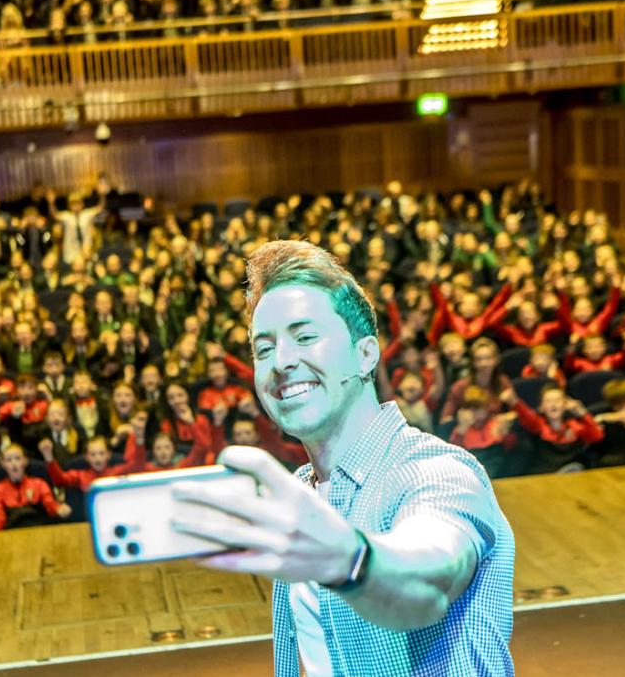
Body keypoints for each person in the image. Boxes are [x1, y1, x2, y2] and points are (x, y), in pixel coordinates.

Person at [170, 240, 514, 676]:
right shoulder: (301, 491)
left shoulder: (437, 472)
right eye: (263, 349)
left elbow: (430, 578)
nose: (281, 362)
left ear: (366, 354)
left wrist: (350, 561)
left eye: (305, 336)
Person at [0, 443, 71, 530]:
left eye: (17, 458)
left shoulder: (39, 484)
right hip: (12, 533)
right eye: (9, 460)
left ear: (25, 461)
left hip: (38, 529)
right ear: (3, 464)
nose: (14, 463)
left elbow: (50, 505)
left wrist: (59, 509)